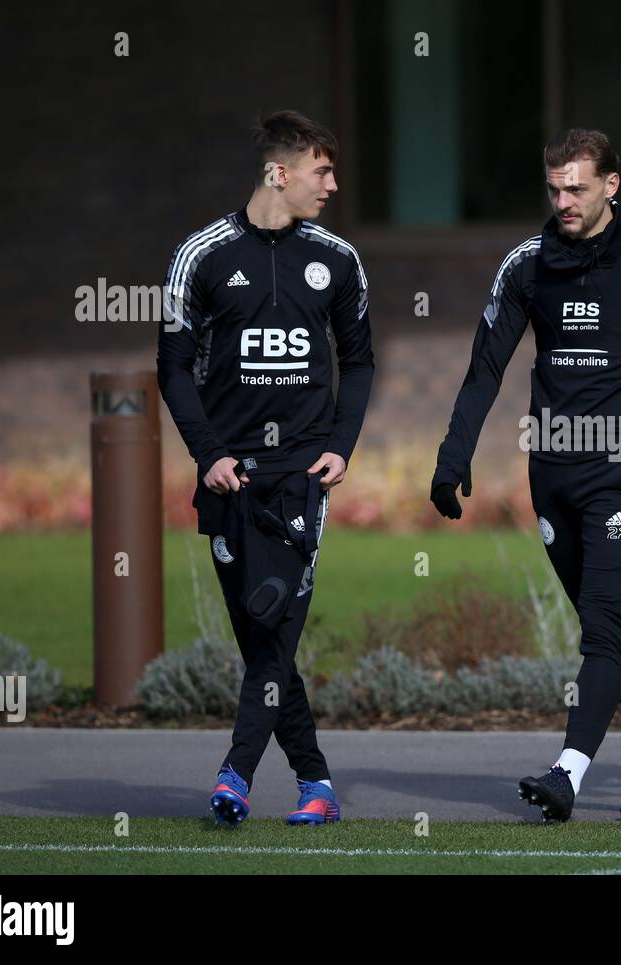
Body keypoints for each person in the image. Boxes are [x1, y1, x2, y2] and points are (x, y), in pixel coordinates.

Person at [430, 128, 621, 821]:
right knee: (612, 626)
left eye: (578, 187)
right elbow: (485, 367)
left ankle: (567, 772)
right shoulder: (526, 266)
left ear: (611, 185)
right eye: (555, 188)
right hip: (552, 470)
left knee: (601, 627)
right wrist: (454, 457)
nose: (564, 200)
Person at [157, 110, 374, 826]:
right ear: (280, 173)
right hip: (229, 480)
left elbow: (361, 359)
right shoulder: (202, 255)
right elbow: (174, 368)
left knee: (271, 619)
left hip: (300, 480)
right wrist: (209, 453)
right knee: (264, 643)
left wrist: (342, 443)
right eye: (322, 170)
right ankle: (316, 782)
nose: (333, 185)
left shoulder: (338, 260)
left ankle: (235, 775)